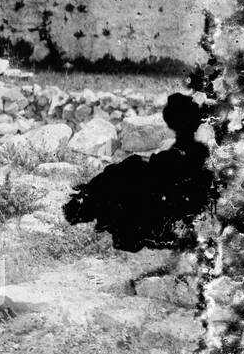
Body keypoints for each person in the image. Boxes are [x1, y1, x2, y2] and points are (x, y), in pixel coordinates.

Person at [63, 93, 215, 252]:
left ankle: (86, 203)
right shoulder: (189, 149)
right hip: (173, 200)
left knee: (129, 172)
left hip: (172, 205)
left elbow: (169, 175)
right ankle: (87, 202)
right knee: (130, 168)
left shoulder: (192, 152)